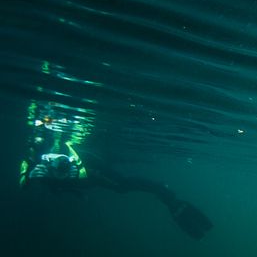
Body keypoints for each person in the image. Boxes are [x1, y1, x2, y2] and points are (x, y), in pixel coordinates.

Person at [19, 95, 213, 240]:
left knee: (122, 186)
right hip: (83, 178)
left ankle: (167, 196)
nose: (57, 165)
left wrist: (79, 170)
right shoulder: (33, 157)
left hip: (91, 169)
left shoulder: (75, 157)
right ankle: (167, 196)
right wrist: (29, 177)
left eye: (61, 161)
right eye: (52, 163)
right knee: (122, 185)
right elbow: (23, 184)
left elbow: (97, 170)